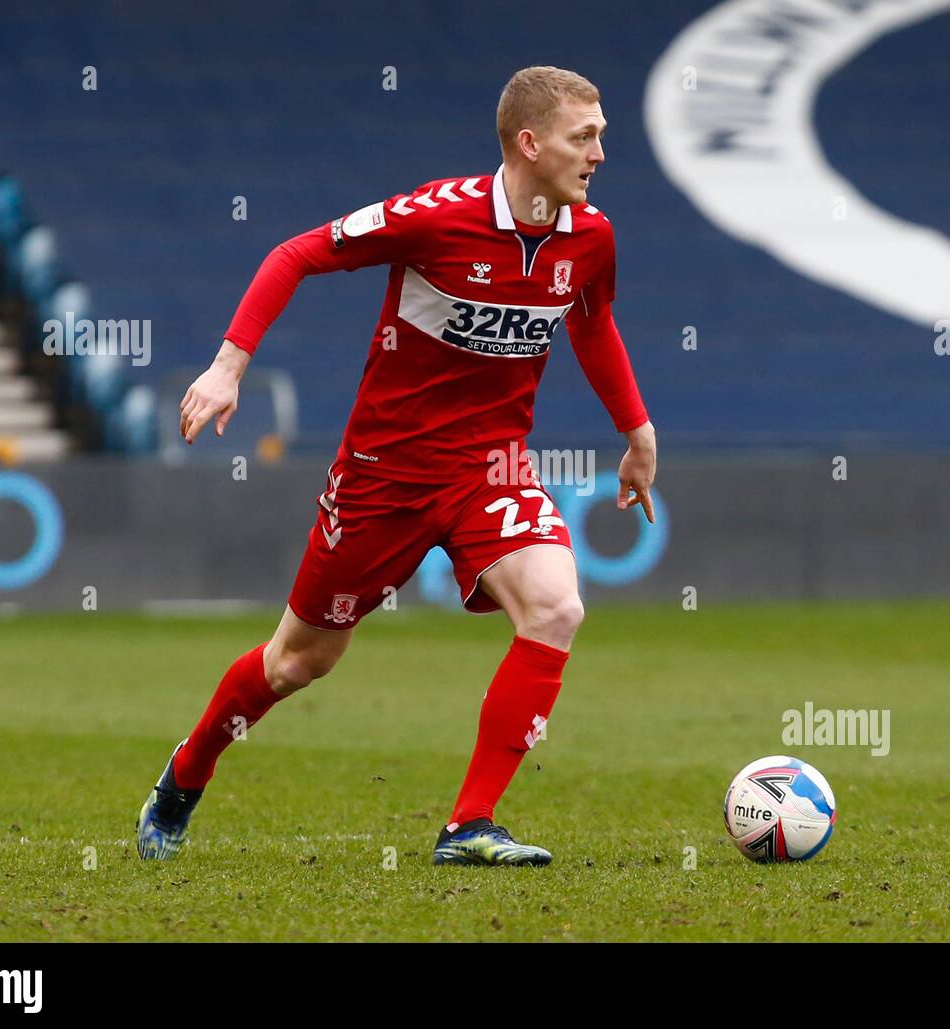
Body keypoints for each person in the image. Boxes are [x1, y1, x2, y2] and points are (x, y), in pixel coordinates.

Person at [136, 65, 656, 866]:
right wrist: (229, 365)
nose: (599, 153)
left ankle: (469, 825)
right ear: (529, 143)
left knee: (556, 608)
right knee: (299, 660)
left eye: (601, 137)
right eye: (584, 137)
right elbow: (295, 253)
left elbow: (593, 323)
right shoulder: (435, 217)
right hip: (385, 474)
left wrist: (637, 430)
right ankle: (185, 773)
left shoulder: (591, 237)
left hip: (494, 469)